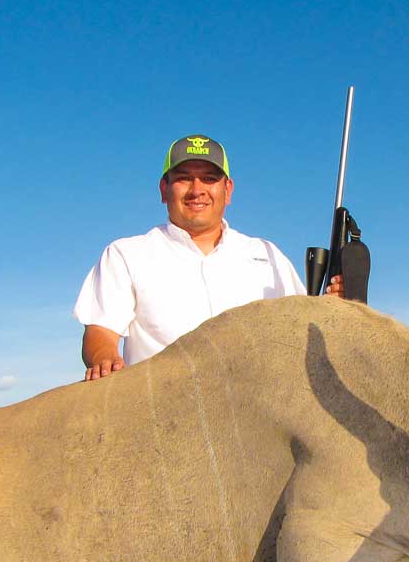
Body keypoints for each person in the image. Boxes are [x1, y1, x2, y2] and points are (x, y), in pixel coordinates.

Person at [74, 134, 343, 380]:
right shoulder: (126, 254)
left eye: (209, 179)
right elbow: (101, 333)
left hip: (256, 416)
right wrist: (104, 359)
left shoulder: (267, 255)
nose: (197, 189)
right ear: (163, 189)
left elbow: (298, 331)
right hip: (163, 415)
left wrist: (331, 308)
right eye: (183, 178)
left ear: (228, 191)